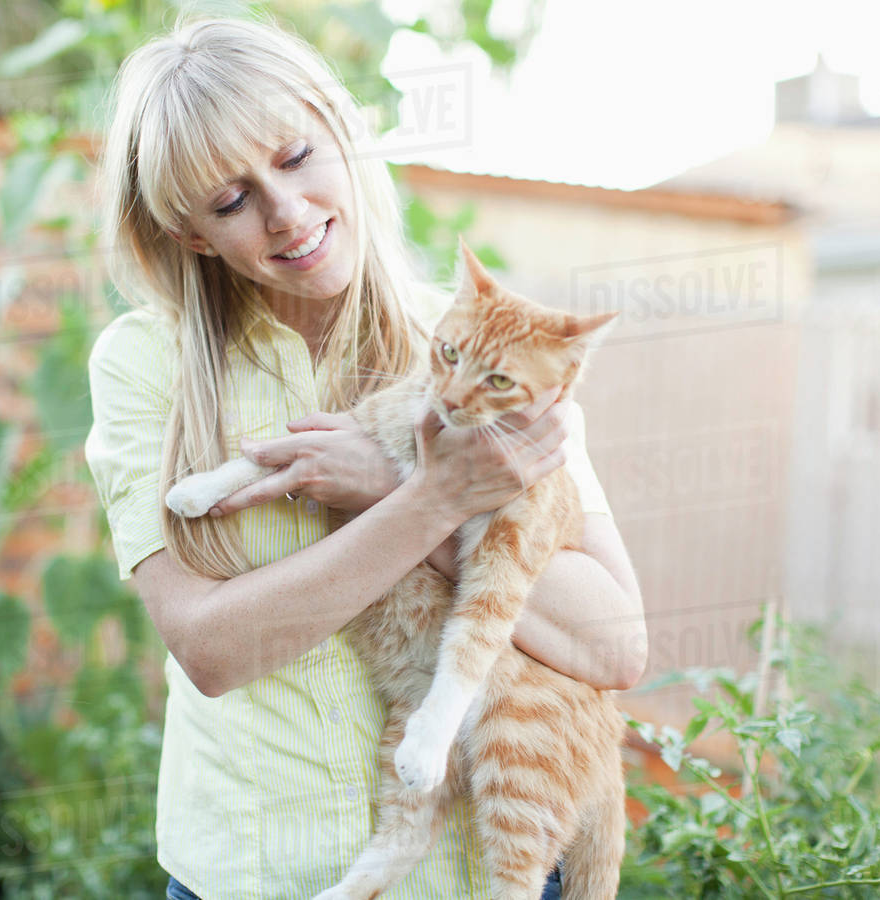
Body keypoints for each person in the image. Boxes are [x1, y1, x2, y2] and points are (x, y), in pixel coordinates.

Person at [85, 16, 646, 900]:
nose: (287, 212)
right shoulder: (145, 365)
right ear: (192, 234)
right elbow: (211, 649)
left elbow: (614, 644)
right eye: (231, 202)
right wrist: (425, 505)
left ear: (342, 134)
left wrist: (395, 482)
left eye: (297, 155)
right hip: (257, 877)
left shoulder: (476, 347)